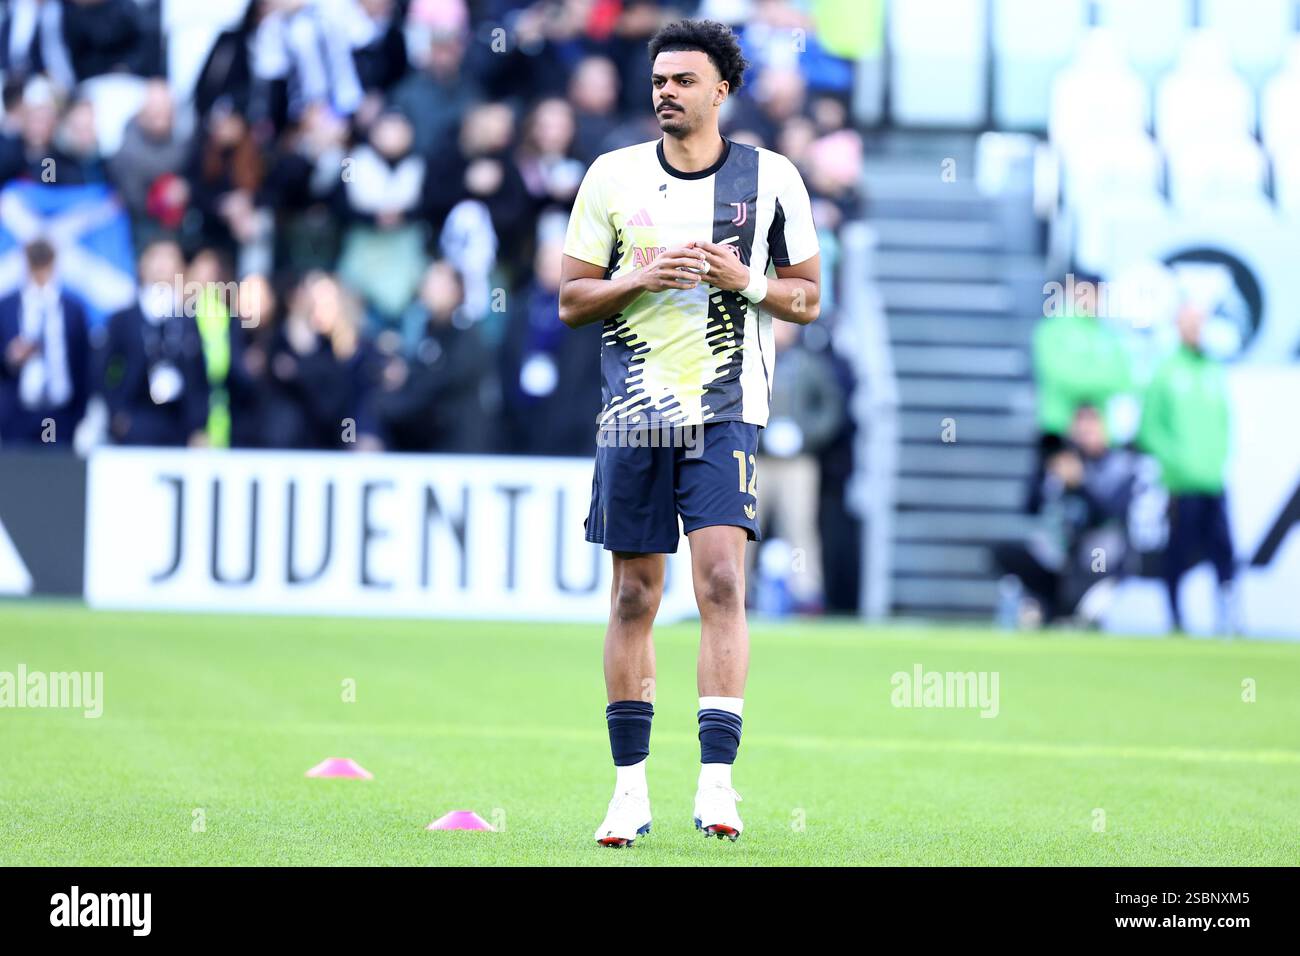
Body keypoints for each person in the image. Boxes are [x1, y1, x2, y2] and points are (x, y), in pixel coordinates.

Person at [559, 18, 820, 846]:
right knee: (635, 593)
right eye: (658, 79)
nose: (665, 91)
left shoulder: (773, 179)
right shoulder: (612, 175)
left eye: (682, 80)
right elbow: (569, 299)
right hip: (634, 416)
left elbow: (809, 296)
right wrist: (636, 277)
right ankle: (628, 791)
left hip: (727, 409)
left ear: (722, 91)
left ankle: (717, 785)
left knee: (719, 583)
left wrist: (746, 281)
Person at [992, 404, 1138, 626]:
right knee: (1006, 553)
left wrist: (1080, 484)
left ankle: (1063, 609)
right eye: (1080, 429)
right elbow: (1030, 507)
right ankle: (1046, 606)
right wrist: (1044, 471)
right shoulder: (1064, 462)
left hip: (1098, 561)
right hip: (1063, 557)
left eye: (1090, 428)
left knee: (1087, 570)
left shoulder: (1119, 466)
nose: (1085, 436)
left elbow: (1109, 513)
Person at [1139, 302, 1236, 634]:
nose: (1196, 328)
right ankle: (1175, 616)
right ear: (1177, 325)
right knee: (1178, 551)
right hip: (1181, 482)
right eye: (1190, 322)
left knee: (1224, 551)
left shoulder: (1212, 369)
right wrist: (1175, 462)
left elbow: (1223, 422)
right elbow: (1149, 429)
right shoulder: (1165, 370)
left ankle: (1227, 616)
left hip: (1213, 479)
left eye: (1200, 322)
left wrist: (1217, 459)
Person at [98, 238, 210, 447]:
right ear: (142, 265)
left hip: (177, 423)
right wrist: (116, 414)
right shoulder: (124, 319)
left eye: (170, 258)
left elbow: (199, 378)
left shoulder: (187, 319)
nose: (162, 265)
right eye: (156, 257)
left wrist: (198, 426)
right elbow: (103, 369)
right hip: (135, 420)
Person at [0, 240, 91, 449]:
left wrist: (79, 413)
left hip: (57, 414)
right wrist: (10, 357)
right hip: (17, 414)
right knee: (19, 474)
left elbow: (82, 362)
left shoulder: (72, 309)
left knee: (52, 471)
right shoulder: (6, 307)